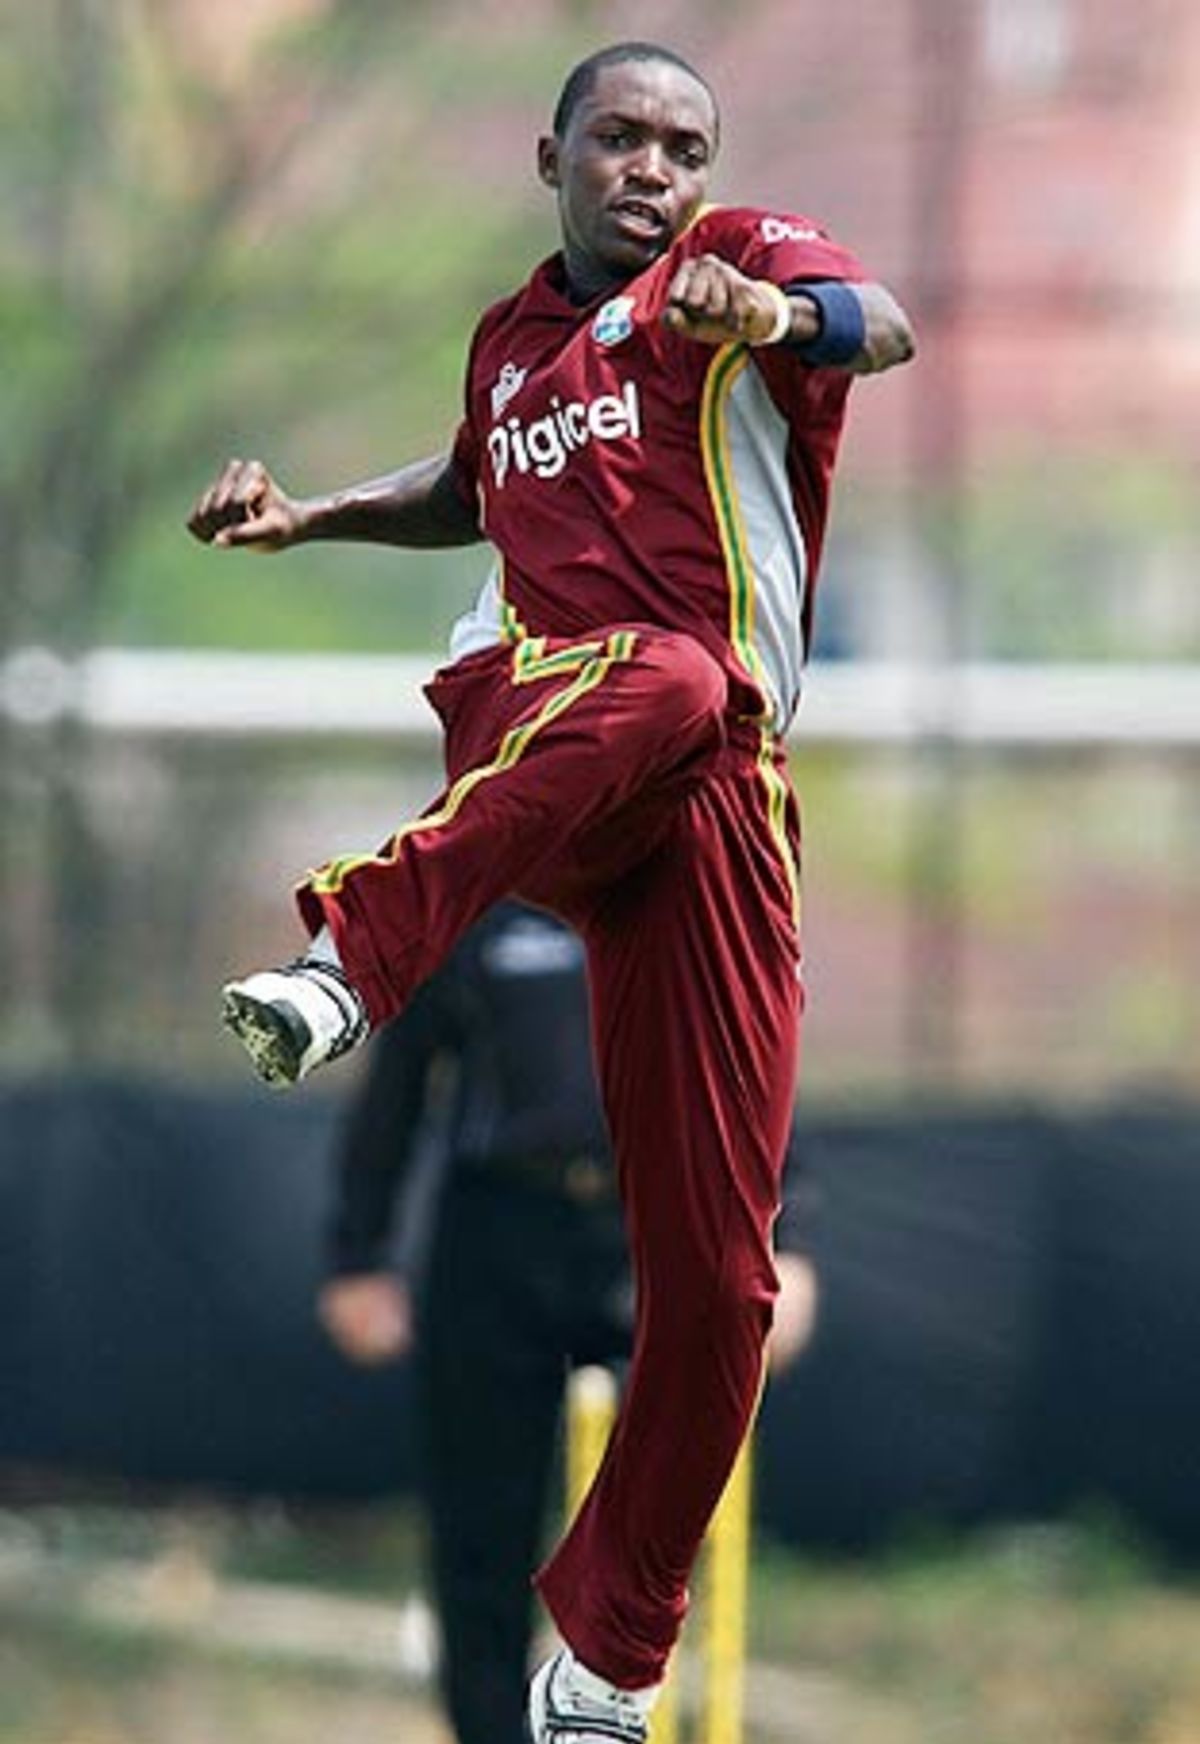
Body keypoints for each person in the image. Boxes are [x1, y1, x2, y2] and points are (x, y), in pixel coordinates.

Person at [187, 38, 913, 1739]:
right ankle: (350, 958)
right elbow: (472, 482)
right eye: (619, 139)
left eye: (679, 143)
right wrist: (307, 521)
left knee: (725, 1286)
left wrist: (775, 320)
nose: (650, 169)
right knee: (664, 672)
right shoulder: (511, 345)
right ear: (553, 156)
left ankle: (601, 1653)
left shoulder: (740, 267)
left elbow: (880, 320)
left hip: (718, 809)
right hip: (554, 727)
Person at [317, 898, 819, 1744]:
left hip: (657, 1215)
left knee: (666, 1510)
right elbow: (398, 1081)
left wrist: (787, 1241)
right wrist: (357, 1256)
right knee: (481, 1523)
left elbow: (754, 1057)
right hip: (496, 1229)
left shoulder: (691, 883)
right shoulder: (476, 883)